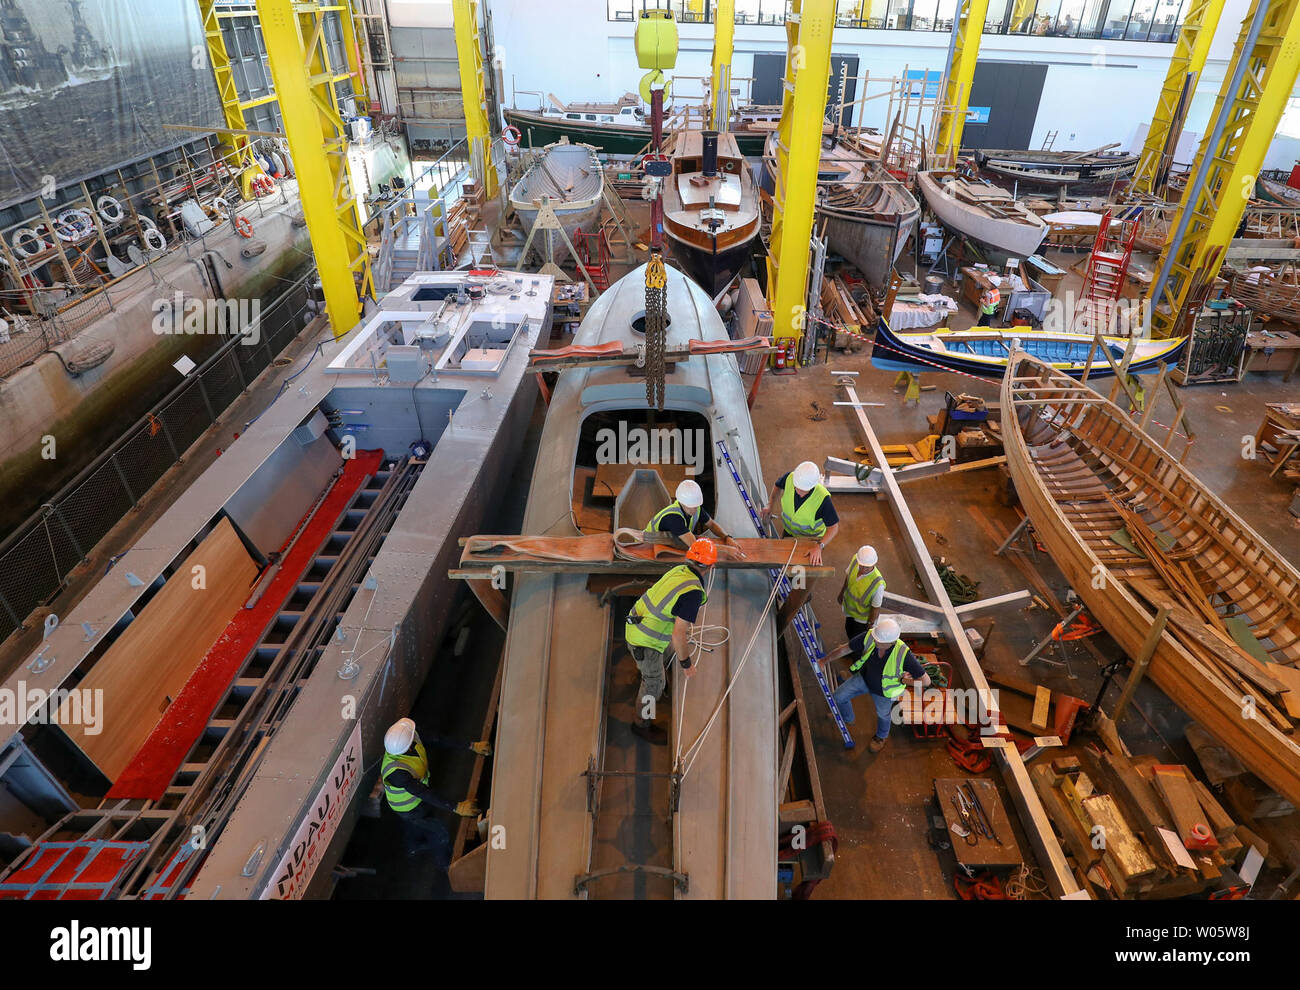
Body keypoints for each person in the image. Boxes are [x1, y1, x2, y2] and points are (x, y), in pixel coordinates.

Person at [623, 537, 716, 744]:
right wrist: (687, 664)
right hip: (645, 642)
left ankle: (648, 673)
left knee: (659, 665)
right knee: (655, 685)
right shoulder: (692, 594)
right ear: (710, 568)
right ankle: (640, 724)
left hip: (636, 626)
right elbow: (678, 634)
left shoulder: (679, 571)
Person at [821, 617, 930, 752]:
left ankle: (881, 737)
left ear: (892, 642)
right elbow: (845, 649)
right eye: (876, 638)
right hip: (865, 679)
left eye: (880, 641)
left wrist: (904, 681)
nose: (876, 641)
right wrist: (824, 661)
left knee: (883, 715)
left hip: (884, 692)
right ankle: (847, 718)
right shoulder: (871, 636)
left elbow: (926, 681)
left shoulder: (904, 654)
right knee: (838, 697)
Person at [381, 718, 489, 843]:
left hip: (418, 795)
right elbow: (424, 793)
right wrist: (456, 807)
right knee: (438, 830)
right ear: (407, 746)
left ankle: (415, 835)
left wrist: (470, 745)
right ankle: (437, 853)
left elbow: (437, 739)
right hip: (409, 808)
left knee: (421, 821)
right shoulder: (396, 772)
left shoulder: (409, 738)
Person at [760, 460, 839, 566]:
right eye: (797, 487)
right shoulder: (790, 478)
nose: (799, 492)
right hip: (789, 532)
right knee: (785, 563)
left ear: (813, 486)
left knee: (803, 569)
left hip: (811, 540)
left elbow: (834, 528)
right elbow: (777, 485)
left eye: (804, 490)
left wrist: (819, 546)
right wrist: (770, 504)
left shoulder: (823, 499)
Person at [647, 479, 737, 549]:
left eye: (697, 505)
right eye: (691, 506)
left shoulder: (696, 508)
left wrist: (727, 537)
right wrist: (726, 549)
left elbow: (712, 524)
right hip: (648, 545)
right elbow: (695, 545)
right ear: (682, 502)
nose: (695, 509)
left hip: (666, 543)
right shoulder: (673, 517)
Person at [838, 545, 886, 640]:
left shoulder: (877, 583)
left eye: (867, 567)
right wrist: (842, 592)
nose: (863, 569)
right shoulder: (856, 559)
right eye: (861, 566)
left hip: (861, 619)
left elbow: (875, 608)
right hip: (849, 610)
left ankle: (855, 654)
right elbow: (848, 577)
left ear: (874, 563)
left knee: (857, 638)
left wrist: (870, 624)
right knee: (848, 629)